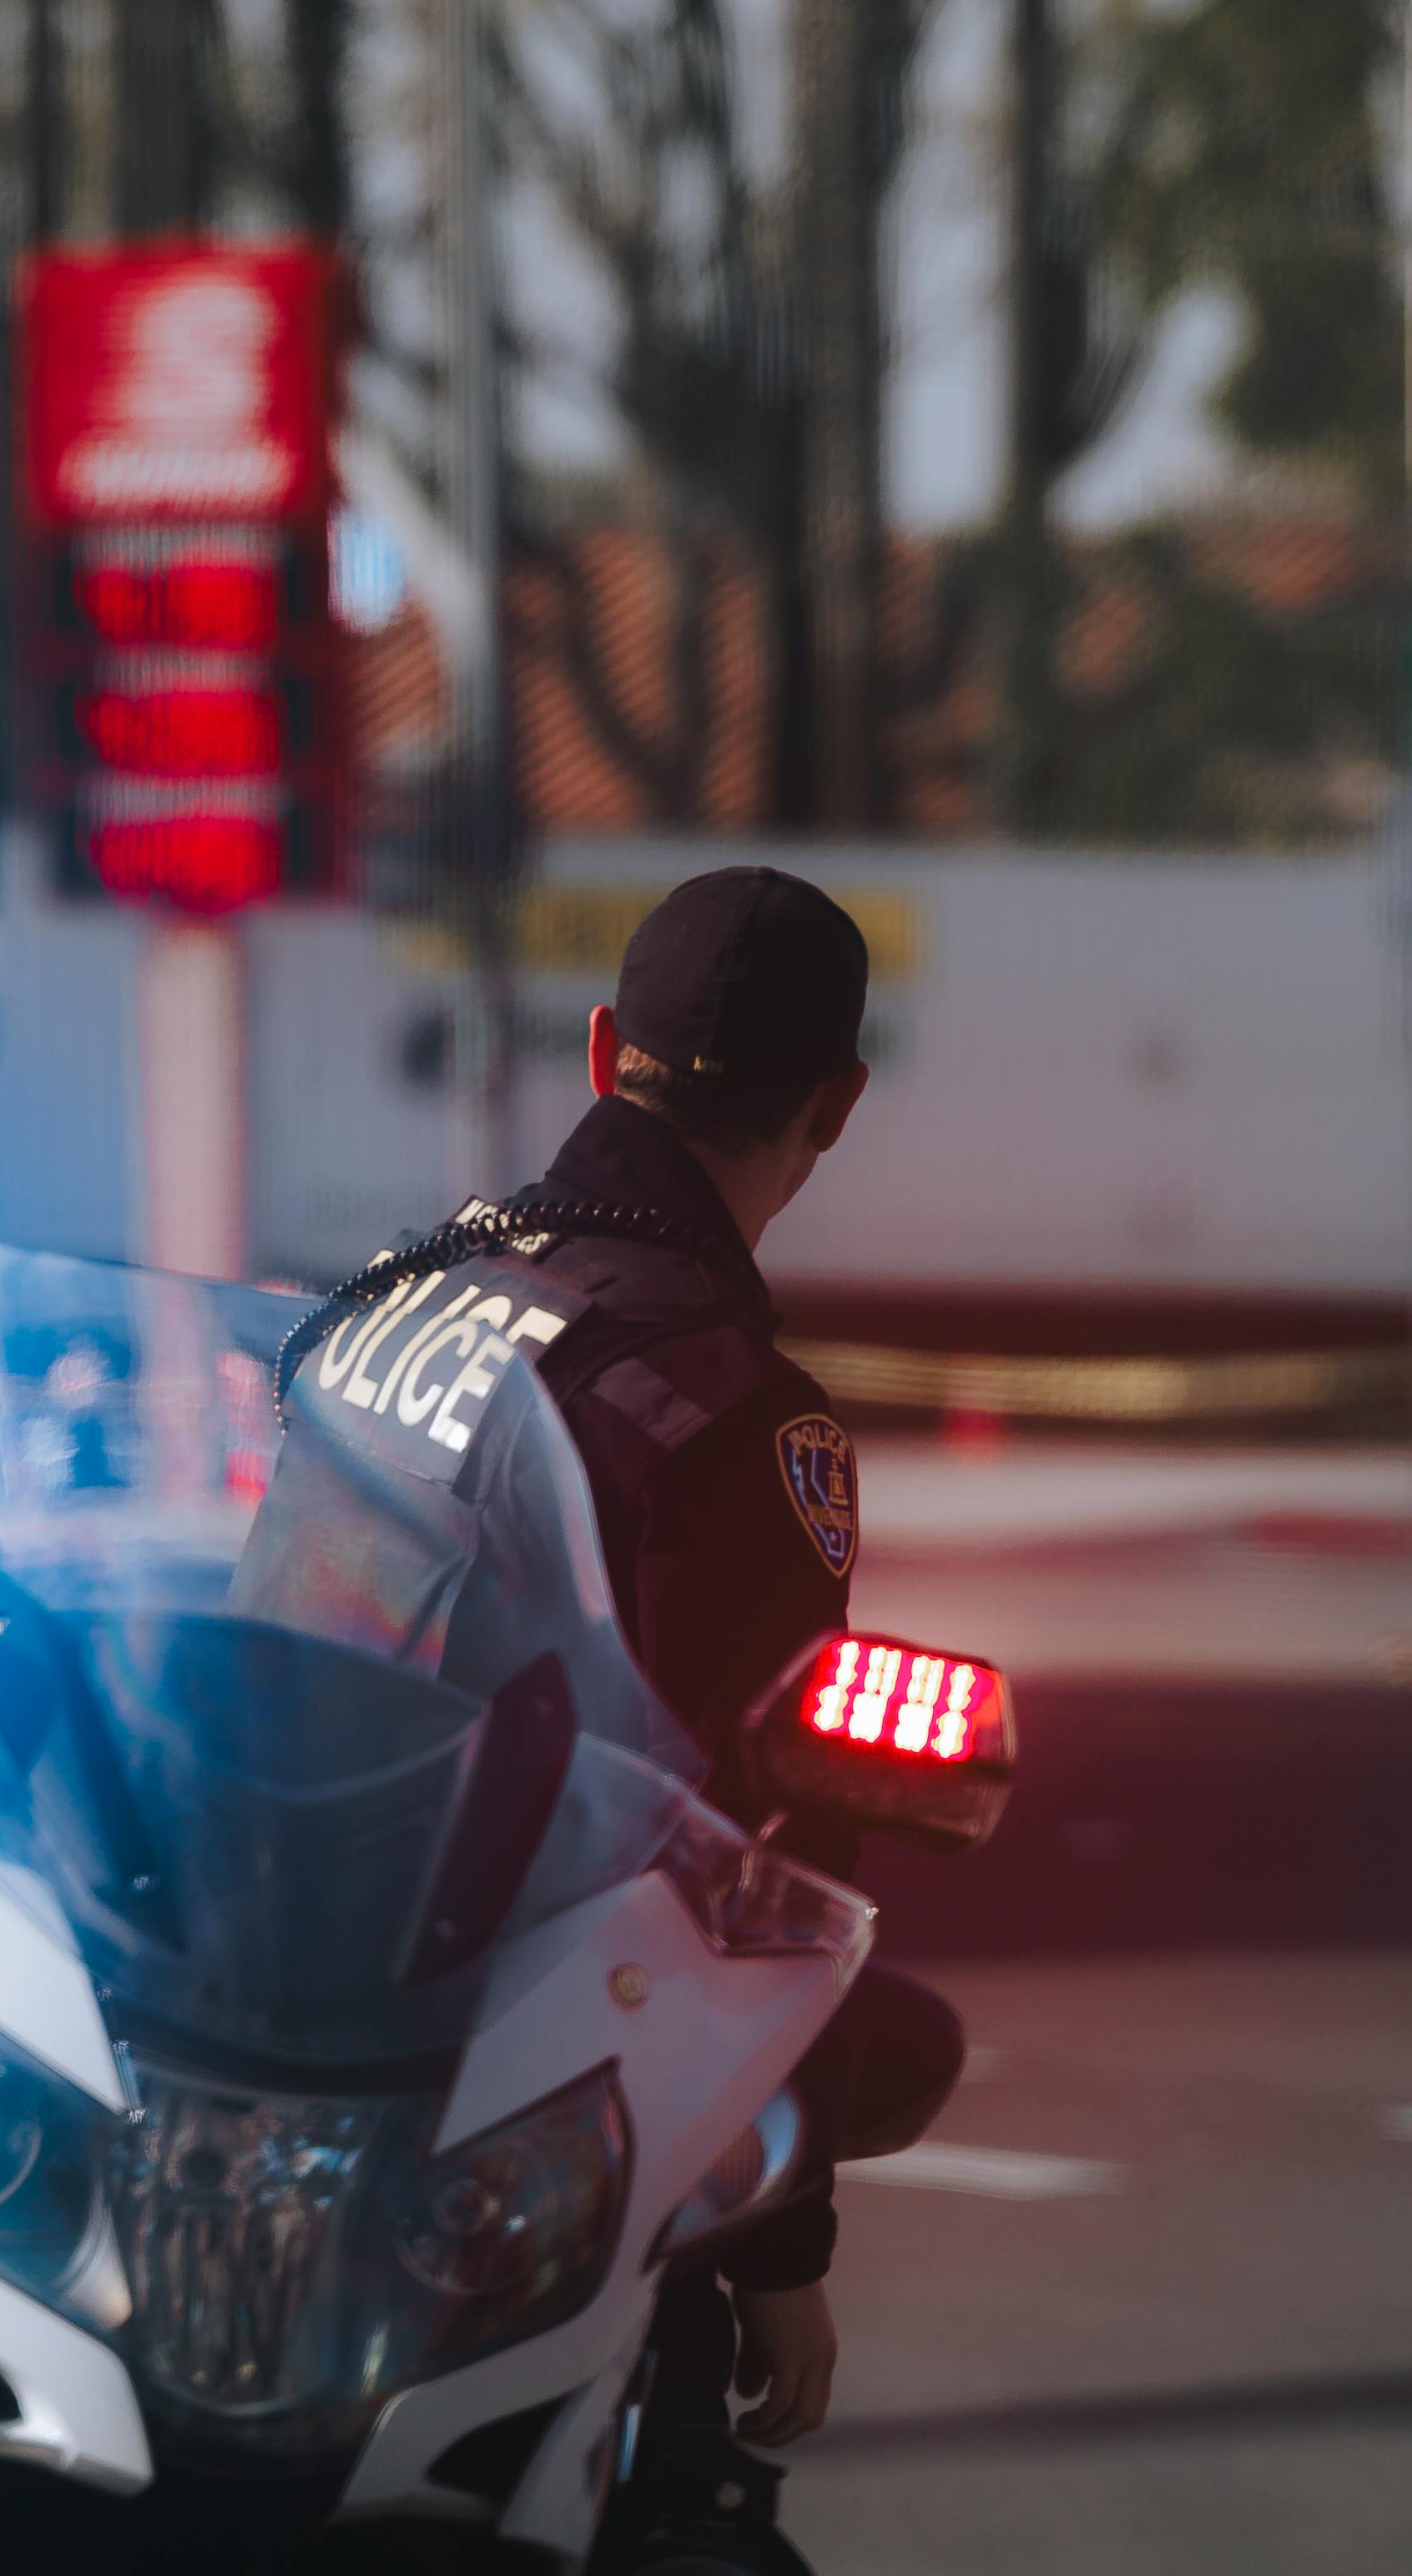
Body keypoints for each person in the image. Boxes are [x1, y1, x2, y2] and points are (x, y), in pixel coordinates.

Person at [466, 868, 965, 2484]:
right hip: (558, 2159)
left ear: (605, 1048)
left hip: (289, 2074)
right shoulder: (739, 1416)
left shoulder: (412, 1304)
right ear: (840, 1106)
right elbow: (764, 1859)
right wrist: (778, 2249)